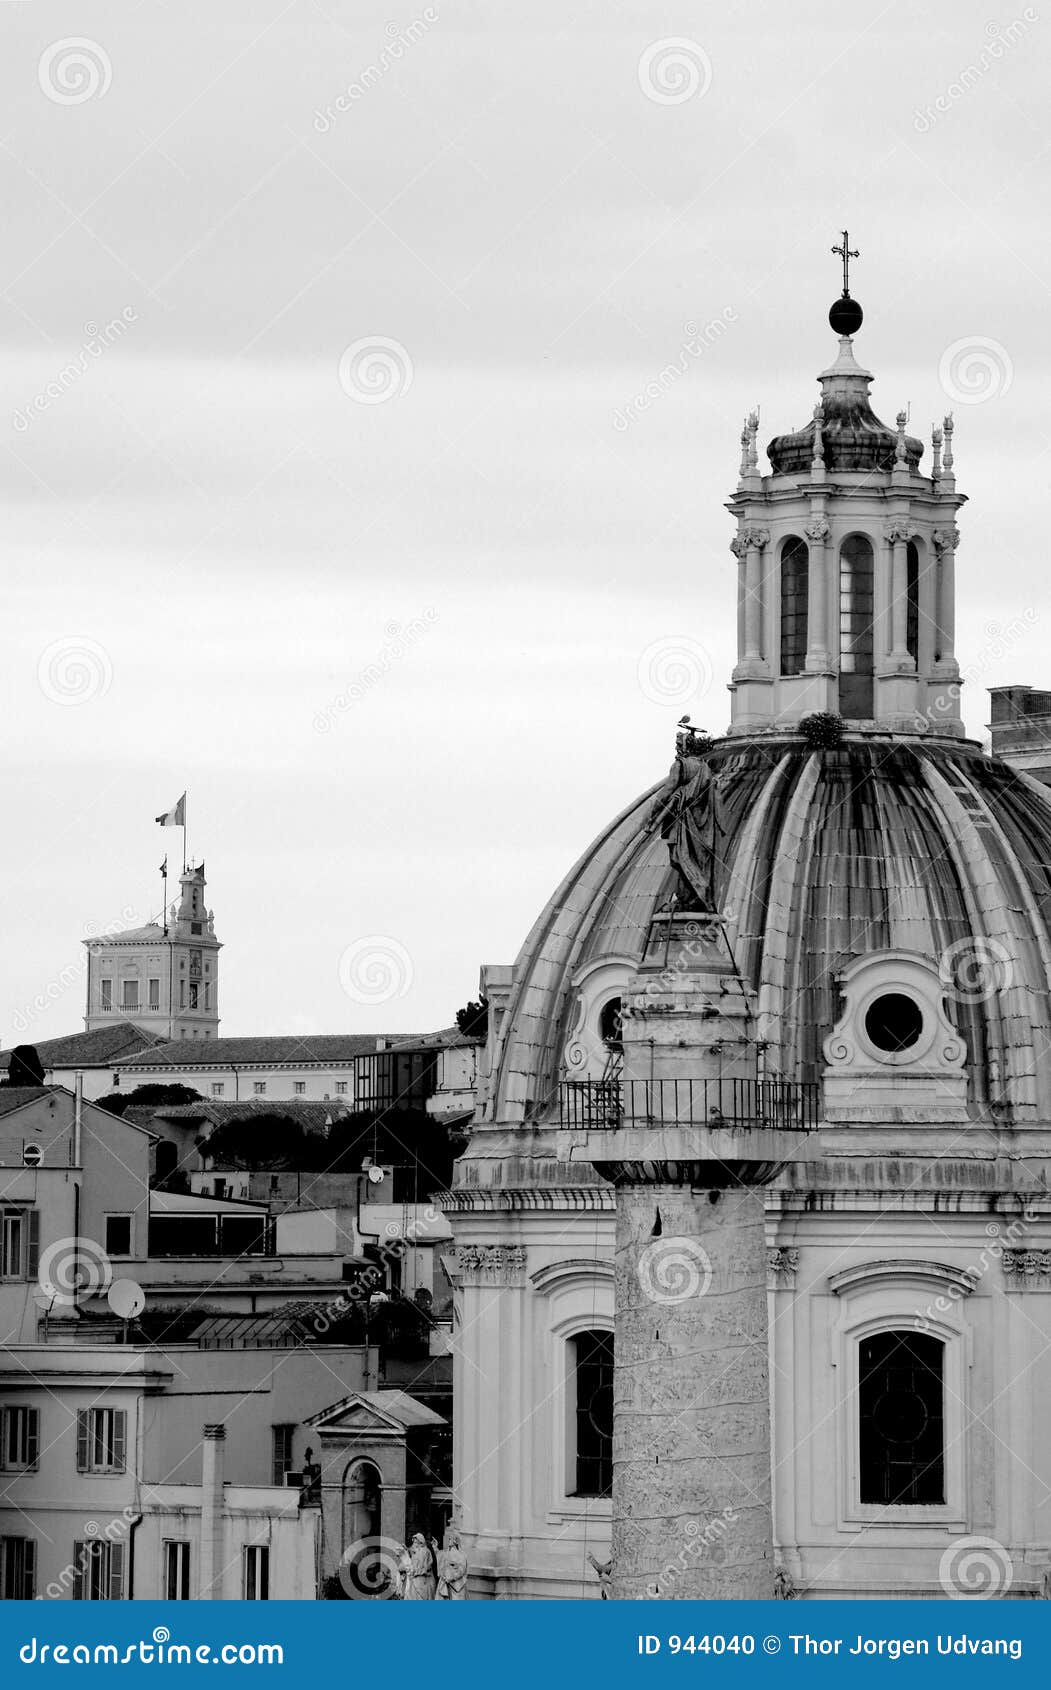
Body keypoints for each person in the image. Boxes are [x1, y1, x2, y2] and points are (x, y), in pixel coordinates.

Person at [402, 1532, 437, 1600]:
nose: (413, 1544)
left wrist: (414, 1572)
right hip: (417, 1578)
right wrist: (406, 1550)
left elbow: (423, 1567)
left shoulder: (424, 1551)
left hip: (423, 1579)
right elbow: (412, 1553)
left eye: (415, 1542)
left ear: (420, 1542)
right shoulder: (418, 1551)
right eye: (414, 1542)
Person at [437, 1531, 468, 1599]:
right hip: (445, 1583)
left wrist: (451, 1578)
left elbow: (462, 1569)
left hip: (456, 1586)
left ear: (455, 1541)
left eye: (450, 1539)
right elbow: (441, 1564)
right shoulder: (446, 1553)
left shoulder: (461, 1555)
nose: (448, 1540)